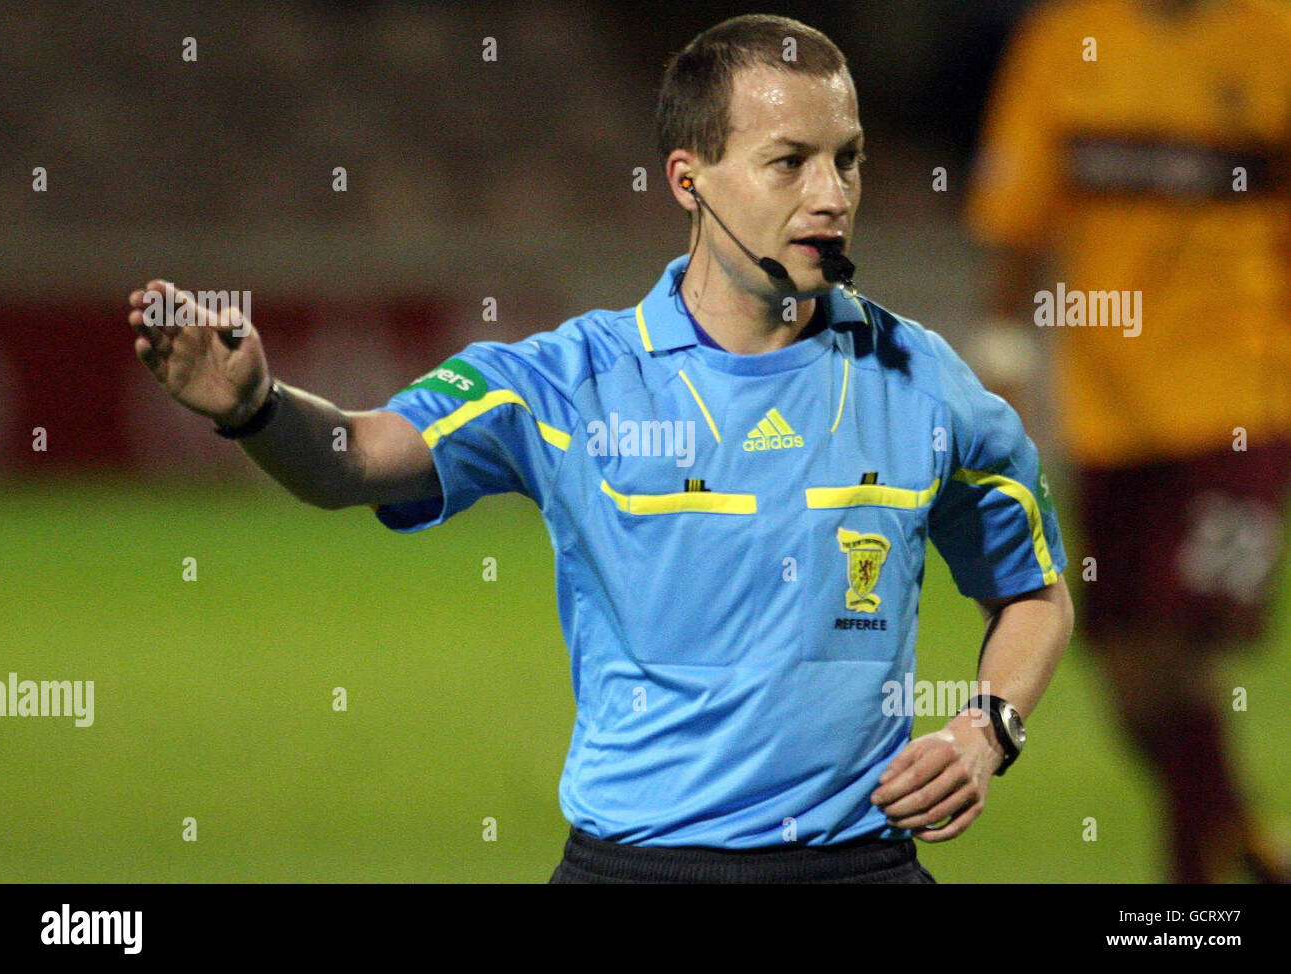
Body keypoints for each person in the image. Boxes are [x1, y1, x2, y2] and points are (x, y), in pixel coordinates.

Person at [127, 14, 1073, 884]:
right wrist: (255, 407)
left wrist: (986, 729)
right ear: (688, 179)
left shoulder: (919, 379)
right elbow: (354, 459)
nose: (832, 196)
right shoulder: (566, 381)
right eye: (789, 162)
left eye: (849, 160)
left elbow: (1032, 588)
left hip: (858, 863)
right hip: (633, 869)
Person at [967, 0, 1291, 883]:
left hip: (1244, 400)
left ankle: (1192, 903)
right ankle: (1250, 848)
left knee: (1182, 653)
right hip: (1108, 412)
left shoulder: (1275, 37)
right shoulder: (1067, 40)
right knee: (1127, 677)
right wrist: (1003, 363)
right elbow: (1014, 216)